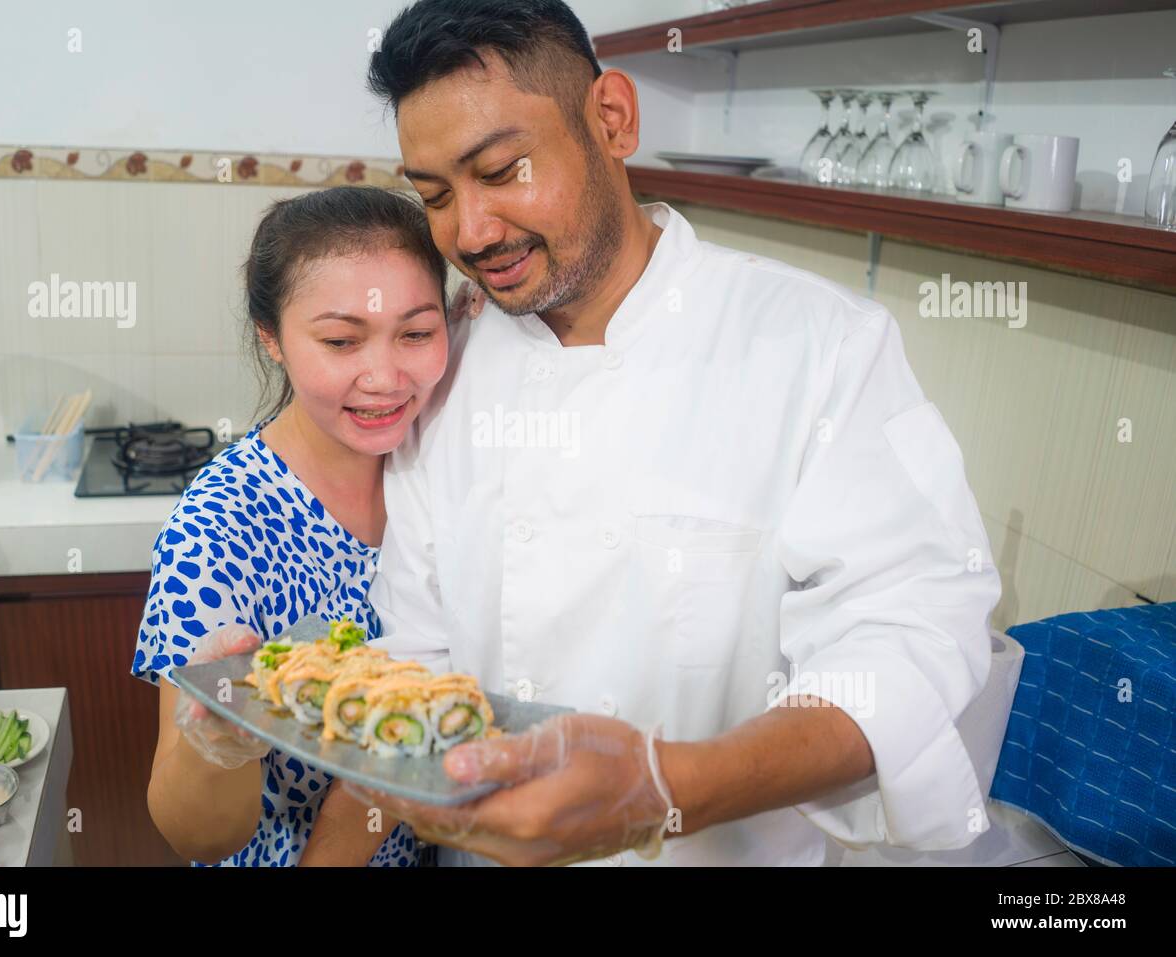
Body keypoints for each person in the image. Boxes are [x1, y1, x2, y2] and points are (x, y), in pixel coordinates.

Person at [346, 0, 1004, 866]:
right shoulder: (447, 366)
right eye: (434, 195)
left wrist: (668, 786)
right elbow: (418, 648)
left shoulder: (816, 344)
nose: (470, 232)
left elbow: (912, 632)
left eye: (502, 171)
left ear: (610, 119)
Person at [131, 186, 455, 866]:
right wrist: (217, 740)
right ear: (271, 338)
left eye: (418, 333)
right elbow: (195, 834)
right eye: (341, 340)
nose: (386, 376)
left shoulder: (436, 462)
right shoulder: (218, 527)